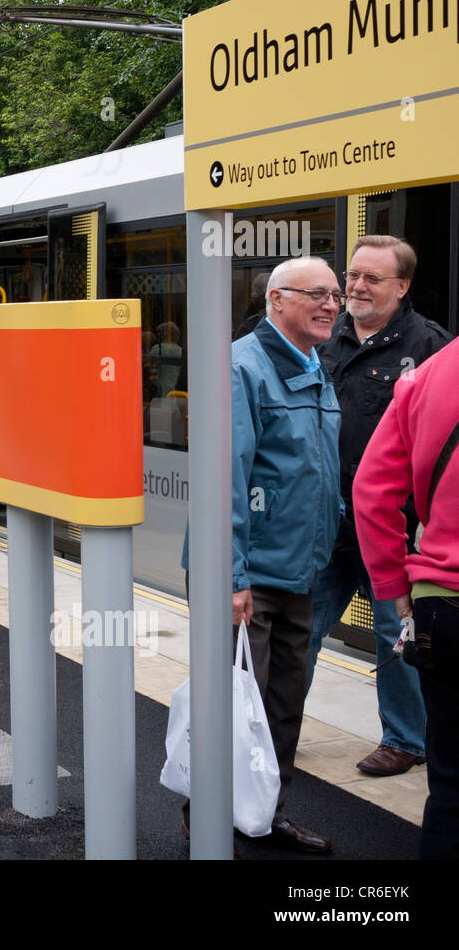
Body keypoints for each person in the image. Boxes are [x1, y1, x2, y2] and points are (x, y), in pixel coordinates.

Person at [198, 256, 343, 852]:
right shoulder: (243, 367)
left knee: (282, 702)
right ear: (277, 300)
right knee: (235, 708)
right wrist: (231, 576)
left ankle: (265, 811)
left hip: (300, 569)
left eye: (335, 294)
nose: (332, 304)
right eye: (318, 294)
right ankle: (205, 816)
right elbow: (226, 478)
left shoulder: (315, 366)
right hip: (251, 575)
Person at [307, 235, 449, 776]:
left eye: (373, 278)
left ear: (403, 286)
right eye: (353, 276)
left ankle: (406, 740)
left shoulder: (430, 346)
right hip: (326, 523)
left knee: (398, 637)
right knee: (302, 633)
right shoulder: (323, 336)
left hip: (392, 527)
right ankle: (274, 725)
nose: (357, 287)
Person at [355, 336, 459, 859]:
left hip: (443, 603)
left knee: (451, 785)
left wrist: (394, 588)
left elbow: (372, 491)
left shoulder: (427, 374)